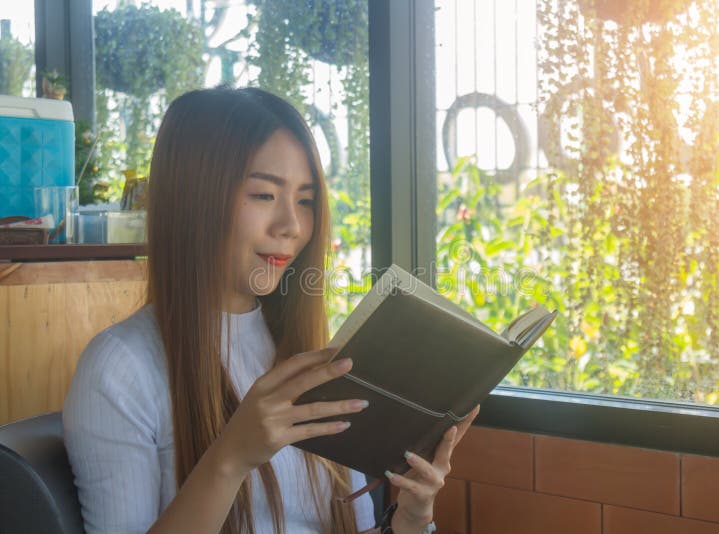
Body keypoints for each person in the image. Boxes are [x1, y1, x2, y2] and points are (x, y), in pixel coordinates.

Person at [62, 87, 478, 534]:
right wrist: (230, 458)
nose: (292, 226)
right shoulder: (119, 369)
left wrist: (412, 518)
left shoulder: (307, 354)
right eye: (264, 195)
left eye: (305, 200)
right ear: (193, 200)